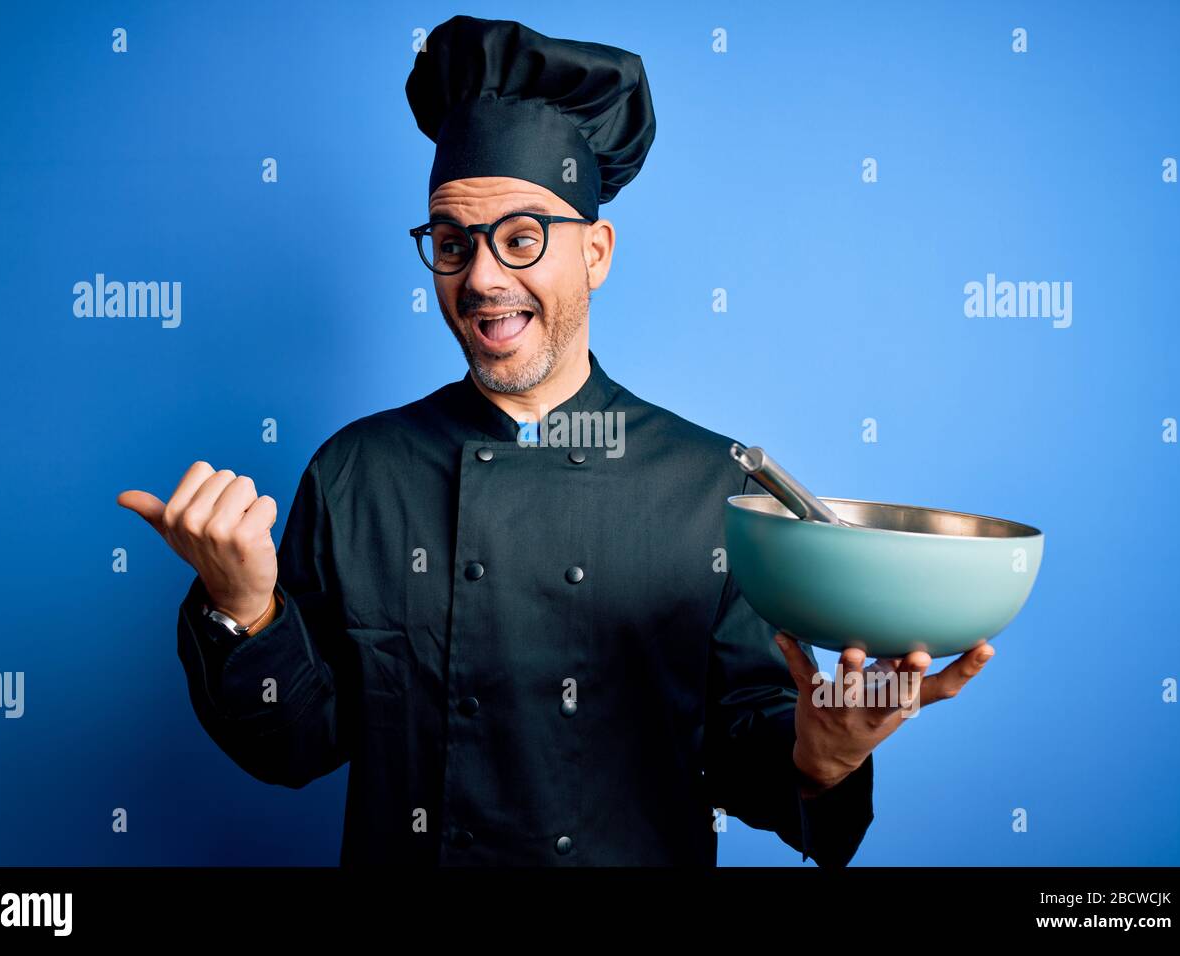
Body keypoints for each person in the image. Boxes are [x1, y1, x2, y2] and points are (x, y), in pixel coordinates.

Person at [117, 14, 994, 867]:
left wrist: (823, 755)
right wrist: (243, 607)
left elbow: (752, 750)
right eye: (453, 243)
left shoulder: (713, 486)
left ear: (597, 252)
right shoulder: (358, 472)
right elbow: (297, 744)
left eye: (522, 238)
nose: (483, 277)